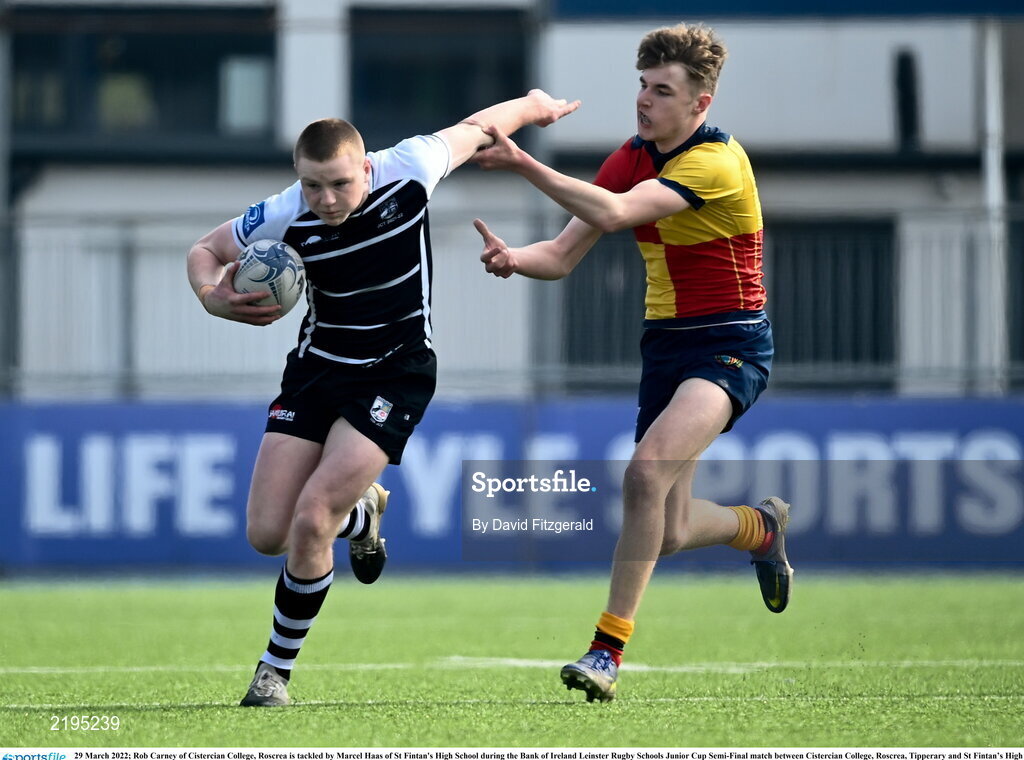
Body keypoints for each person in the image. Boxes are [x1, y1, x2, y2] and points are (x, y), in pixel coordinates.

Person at [187, 89, 579, 707]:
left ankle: (274, 673)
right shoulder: (286, 213)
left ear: (365, 166)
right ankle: (363, 514)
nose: (326, 200)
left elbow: (477, 128)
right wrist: (214, 297)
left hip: (397, 372)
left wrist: (533, 106)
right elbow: (205, 252)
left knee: (313, 516)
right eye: (313, 186)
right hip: (317, 369)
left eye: (339, 184)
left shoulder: (412, 167)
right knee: (268, 533)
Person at [471, 23, 792, 703]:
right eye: (642, 86)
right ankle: (759, 529)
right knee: (668, 530)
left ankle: (606, 651)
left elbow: (615, 214)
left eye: (662, 91)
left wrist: (527, 164)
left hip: (730, 343)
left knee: (643, 475)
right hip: (666, 348)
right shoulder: (632, 155)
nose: (644, 101)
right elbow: (560, 257)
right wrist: (514, 259)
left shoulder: (717, 161)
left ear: (699, 104)